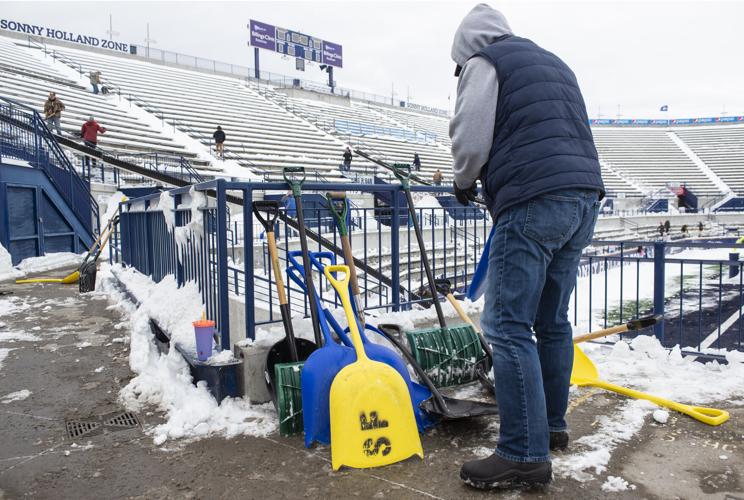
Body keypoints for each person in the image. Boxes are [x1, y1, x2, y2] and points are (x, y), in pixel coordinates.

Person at [449, 4, 604, 489]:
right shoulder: (552, 61)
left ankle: (522, 453)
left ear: (468, 49)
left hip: (534, 199)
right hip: (583, 197)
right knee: (551, 321)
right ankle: (551, 427)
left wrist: (463, 179)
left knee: (507, 325)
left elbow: (471, 133)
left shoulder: (484, 62)